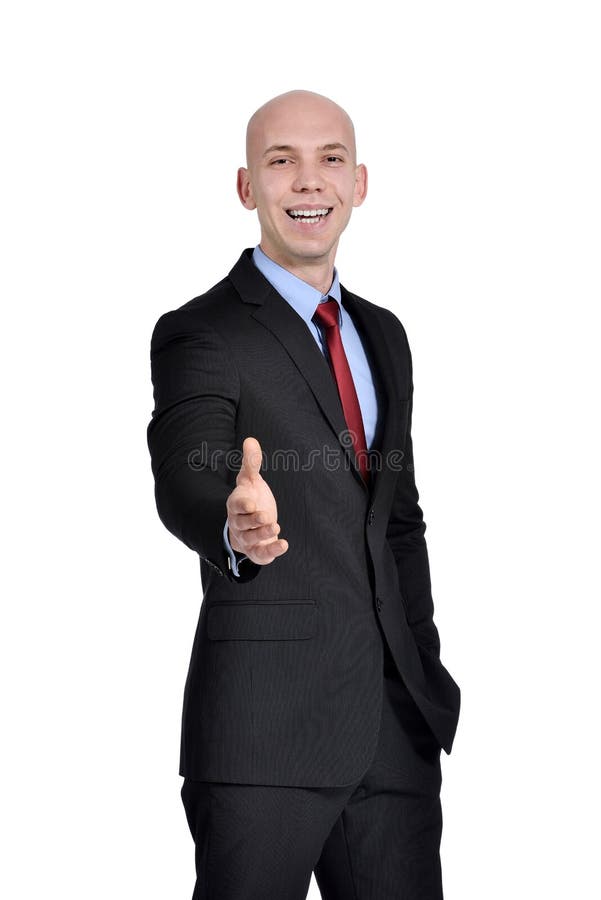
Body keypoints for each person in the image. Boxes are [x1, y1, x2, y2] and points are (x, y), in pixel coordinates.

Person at [147, 89, 461, 900]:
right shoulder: (203, 330)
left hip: (393, 727)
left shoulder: (383, 334)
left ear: (359, 183)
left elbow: (398, 519)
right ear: (247, 187)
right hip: (264, 734)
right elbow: (187, 465)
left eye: (328, 160)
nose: (307, 182)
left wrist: (420, 664)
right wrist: (230, 521)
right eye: (280, 161)